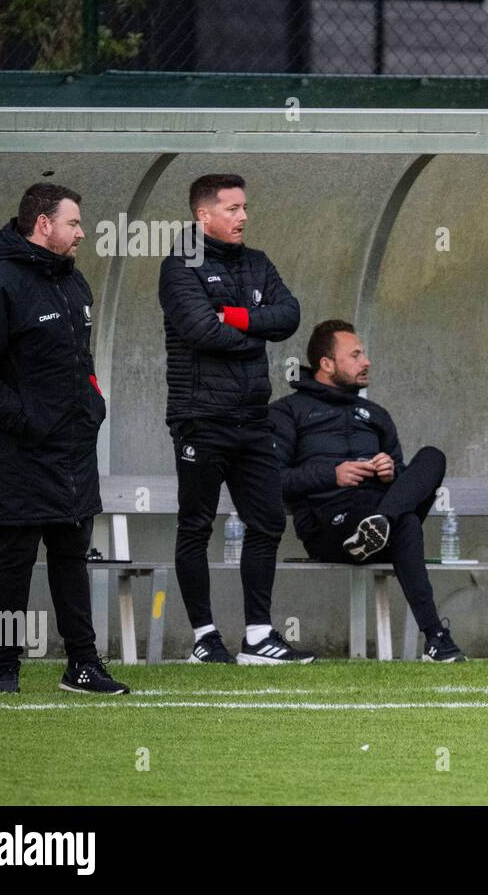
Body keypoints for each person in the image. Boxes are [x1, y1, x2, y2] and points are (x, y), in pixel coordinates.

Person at [0, 183, 128, 694]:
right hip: (21, 450)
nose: (82, 232)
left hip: (74, 446)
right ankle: (5, 668)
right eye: (73, 223)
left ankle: (82, 663)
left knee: (72, 553)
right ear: (43, 224)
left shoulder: (74, 284)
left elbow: (84, 361)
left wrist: (93, 403)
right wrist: (27, 418)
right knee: (17, 554)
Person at [159, 173, 312, 664]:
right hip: (200, 419)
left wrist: (238, 317)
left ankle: (259, 636)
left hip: (252, 419)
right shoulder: (181, 265)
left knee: (267, 522)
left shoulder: (258, 263)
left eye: (244, 207)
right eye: (232, 209)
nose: (243, 217)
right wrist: (251, 331)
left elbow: (289, 316)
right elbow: (202, 331)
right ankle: (205, 637)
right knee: (196, 527)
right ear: (203, 214)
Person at [269, 320, 465, 662]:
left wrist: (391, 472)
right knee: (407, 525)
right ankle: (435, 638)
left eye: (365, 354)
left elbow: (408, 480)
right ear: (326, 364)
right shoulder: (287, 412)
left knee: (432, 457)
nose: (367, 361)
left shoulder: (376, 414)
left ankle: (380, 524)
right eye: (356, 354)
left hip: (380, 508)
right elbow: (273, 479)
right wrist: (333, 475)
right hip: (331, 524)